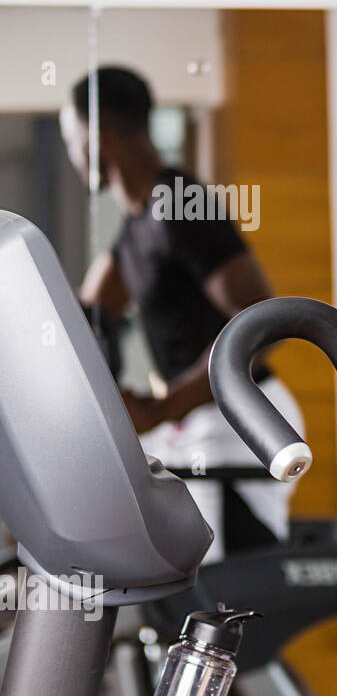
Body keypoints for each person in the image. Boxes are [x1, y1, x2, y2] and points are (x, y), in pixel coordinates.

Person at [62, 66, 302, 561]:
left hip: (239, 416)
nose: (70, 154)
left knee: (226, 591)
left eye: (71, 137)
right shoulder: (134, 229)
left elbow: (262, 324)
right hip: (191, 421)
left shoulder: (180, 205)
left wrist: (161, 408)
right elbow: (83, 317)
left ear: (99, 134)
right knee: (180, 579)